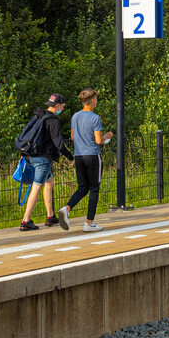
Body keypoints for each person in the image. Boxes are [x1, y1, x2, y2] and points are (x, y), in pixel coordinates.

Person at [60, 88, 112, 232]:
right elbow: (98, 140)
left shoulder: (75, 117)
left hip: (79, 156)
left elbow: (72, 137)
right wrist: (107, 136)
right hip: (92, 156)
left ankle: (67, 208)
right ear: (93, 100)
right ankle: (89, 223)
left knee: (83, 187)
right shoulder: (95, 118)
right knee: (94, 188)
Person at [19, 94, 72, 231]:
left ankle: (50, 216)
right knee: (37, 187)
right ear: (58, 106)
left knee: (49, 181)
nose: (63, 109)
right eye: (63, 107)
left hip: (32, 155)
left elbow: (28, 136)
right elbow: (59, 144)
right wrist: (71, 158)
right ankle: (25, 221)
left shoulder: (38, 116)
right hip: (44, 159)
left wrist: (24, 153)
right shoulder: (53, 121)